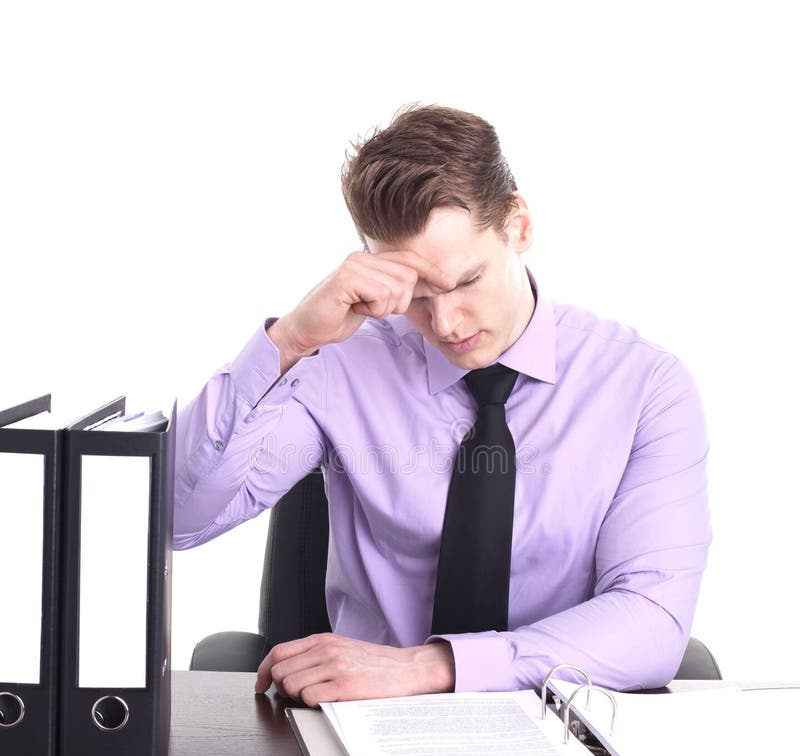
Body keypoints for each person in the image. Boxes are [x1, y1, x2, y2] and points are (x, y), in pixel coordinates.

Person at [174, 105, 711, 707]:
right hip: (368, 719)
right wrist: (290, 340)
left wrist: (433, 666)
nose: (446, 324)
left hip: (559, 715)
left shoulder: (645, 387)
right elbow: (179, 519)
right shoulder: (340, 365)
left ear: (519, 225)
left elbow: (652, 620)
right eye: (416, 297)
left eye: (464, 282)